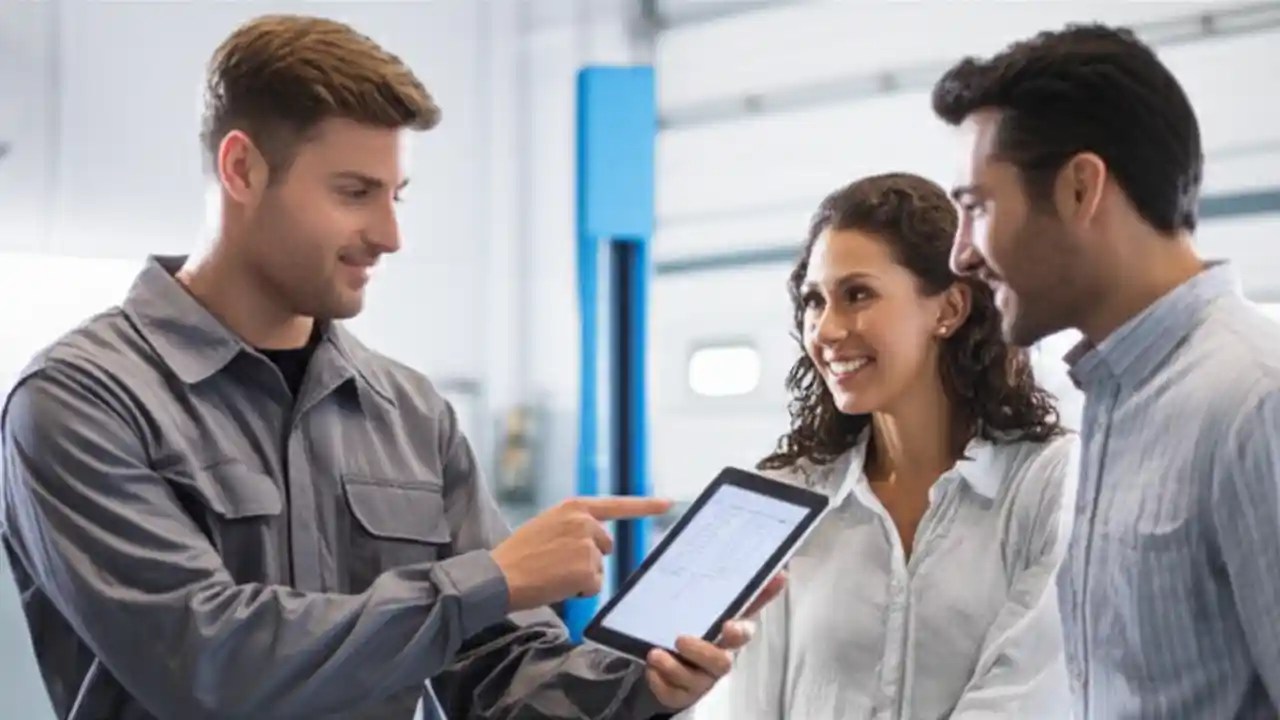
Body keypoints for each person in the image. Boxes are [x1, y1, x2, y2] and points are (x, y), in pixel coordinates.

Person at [0, 14, 779, 720]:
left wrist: (641, 682)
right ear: (241, 170)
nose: (389, 233)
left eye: (396, 193)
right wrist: (490, 581)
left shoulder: (409, 412)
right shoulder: (81, 402)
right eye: (354, 192)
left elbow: (497, 674)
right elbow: (207, 665)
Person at [934, 23, 1280, 719]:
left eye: (976, 208)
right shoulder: (1114, 396)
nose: (961, 256)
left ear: (1080, 188)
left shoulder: (1253, 402)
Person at [698, 173, 1075, 719]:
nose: (825, 330)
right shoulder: (784, 498)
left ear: (948, 310)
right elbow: (745, 708)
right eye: (814, 301)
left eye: (857, 295)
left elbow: (1031, 697)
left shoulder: (1050, 483)